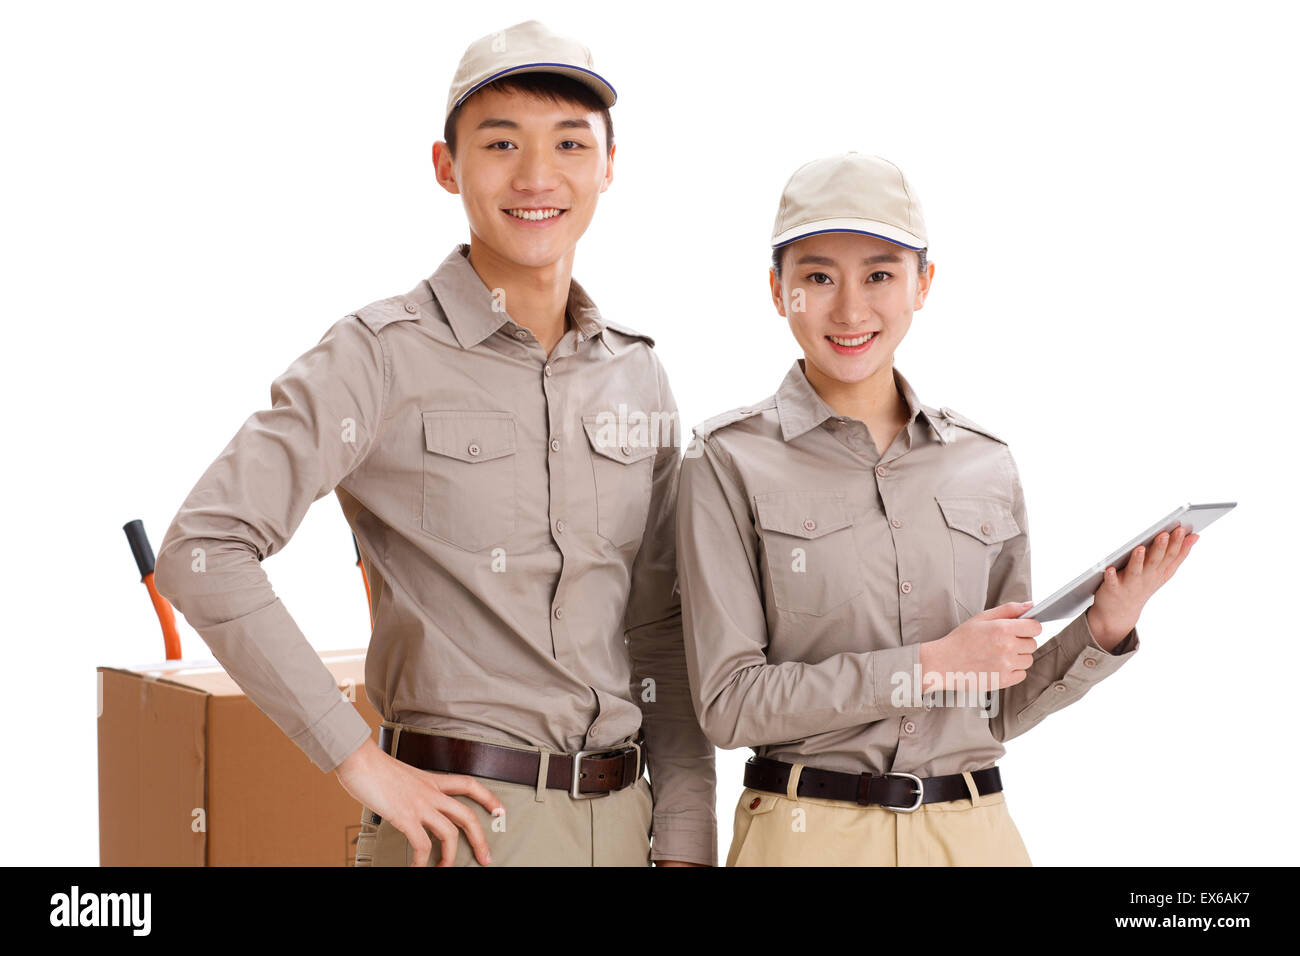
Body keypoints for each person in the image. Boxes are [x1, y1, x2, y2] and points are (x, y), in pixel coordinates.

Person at [154, 19, 716, 867]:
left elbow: (660, 628)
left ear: (609, 164)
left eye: (569, 143)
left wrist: (682, 837)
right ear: (446, 166)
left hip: (626, 825)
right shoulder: (378, 357)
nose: (536, 176)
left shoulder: (638, 376)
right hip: (466, 833)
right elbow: (202, 548)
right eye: (500, 143)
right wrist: (358, 759)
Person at [674, 152, 1197, 866]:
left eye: (881, 275)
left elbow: (992, 707)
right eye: (818, 277)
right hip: (805, 838)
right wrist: (928, 664)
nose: (851, 310)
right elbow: (730, 704)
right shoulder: (725, 461)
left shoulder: (984, 463)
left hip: (974, 837)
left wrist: (1103, 630)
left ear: (925, 283)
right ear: (777, 290)